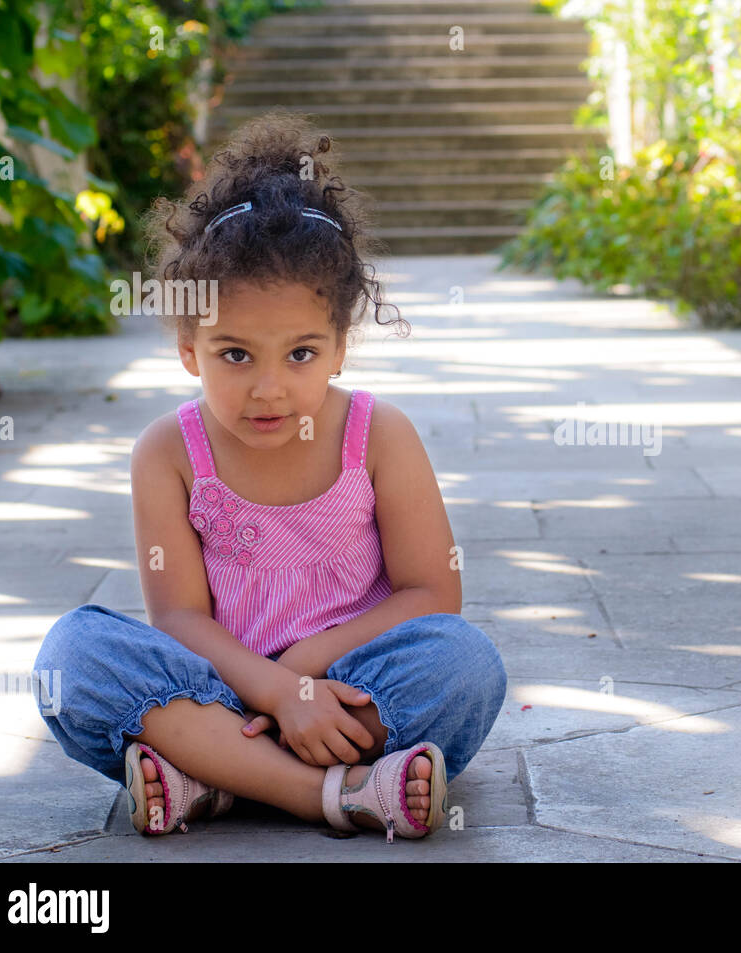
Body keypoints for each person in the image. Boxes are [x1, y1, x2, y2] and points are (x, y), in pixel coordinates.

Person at [34, 112, 507, 844]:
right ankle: (342, 791)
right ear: (189, 347)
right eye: (234, 354)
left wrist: (307, 679)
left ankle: (215, 776)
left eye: (300, 354)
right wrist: (276, 692)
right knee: (73, 657)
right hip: (222, 688)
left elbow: (432, 592)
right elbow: (181, 620)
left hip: (349, 686)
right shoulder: (168, 452)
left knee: (465, 664)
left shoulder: (378, 435)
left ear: (342, 345)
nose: (268, 390)